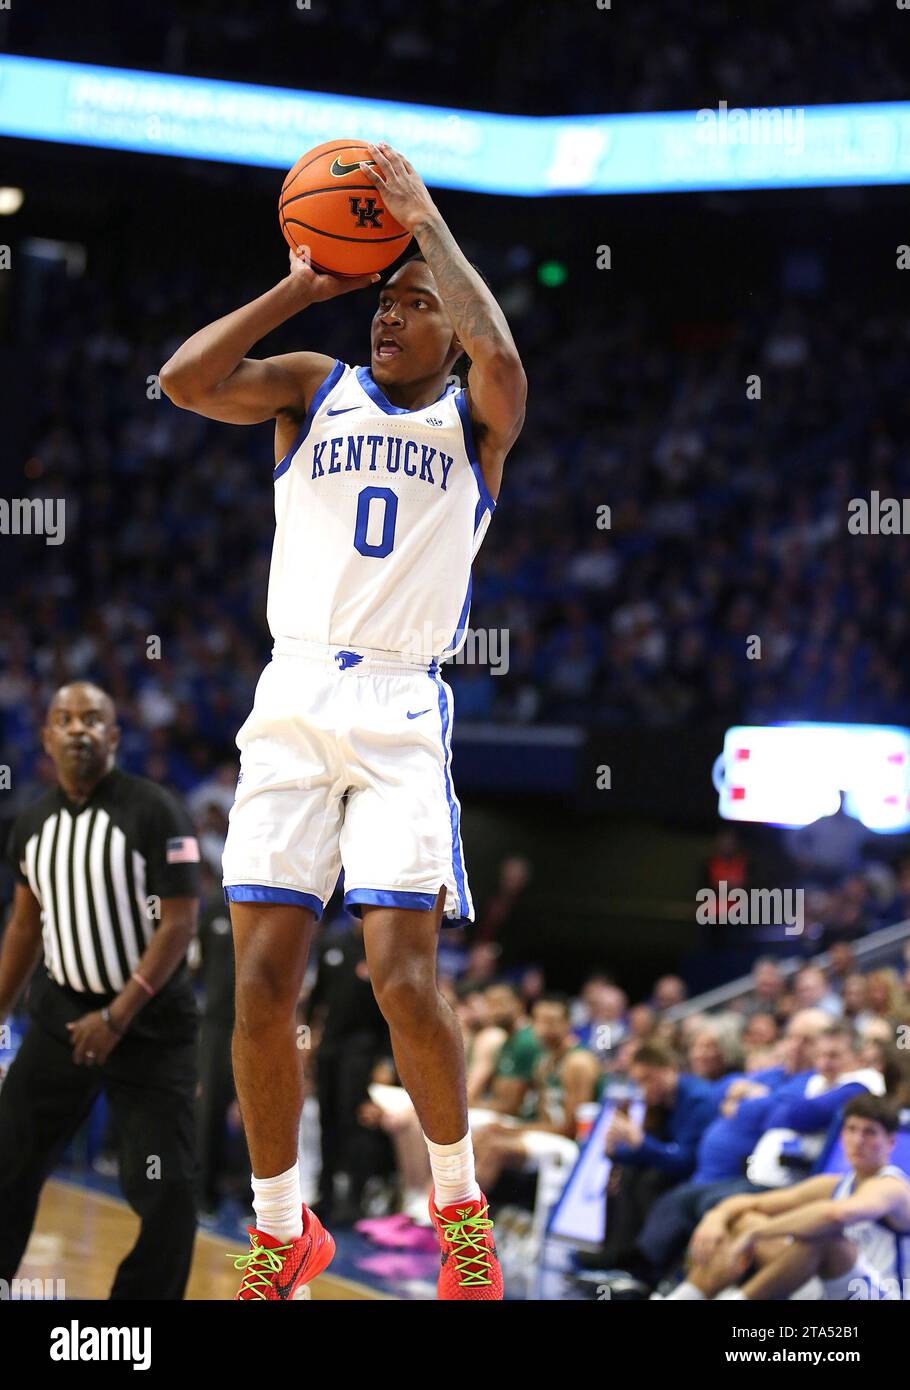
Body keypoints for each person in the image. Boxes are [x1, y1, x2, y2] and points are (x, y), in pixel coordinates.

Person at [160, 140, 526, 1300]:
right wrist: (303, 287)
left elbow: (502, 349)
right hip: (294, 692)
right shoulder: (311, 381)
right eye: (385, 300)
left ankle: (459, 1208)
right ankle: (283, 1228)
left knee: (399, 978)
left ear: (449, 327)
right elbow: (181, 380)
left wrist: (424, 229)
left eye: (414, 307)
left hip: (400, 707)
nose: (390, 317)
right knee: (260, 981)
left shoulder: (478, 420)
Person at [0, 682, 201, 1299]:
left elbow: (179, 921)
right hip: (62, 1017)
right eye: (64, 719)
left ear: (115, 736)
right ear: (47, 738)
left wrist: (117, 1016)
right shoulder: (31, 822)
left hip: (149, 1023)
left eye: (93, 719)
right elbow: (25, 926)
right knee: (8, 1162)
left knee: (166, 1187)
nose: (79, 729)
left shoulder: (157, 810)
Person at [670, 1096, 910, 1300]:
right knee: (745, 1220)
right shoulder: (834, 1184)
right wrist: (715, 1216)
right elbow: (751, 1202)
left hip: (875, 1293)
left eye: (869, 1133)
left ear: (890, 1142)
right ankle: (684, 1295)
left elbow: (834, 1214)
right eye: (851, 1129)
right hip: (829, 1285)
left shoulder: (891, 1186)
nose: (858, 1141)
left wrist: (754, 1235)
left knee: (823, 1236)